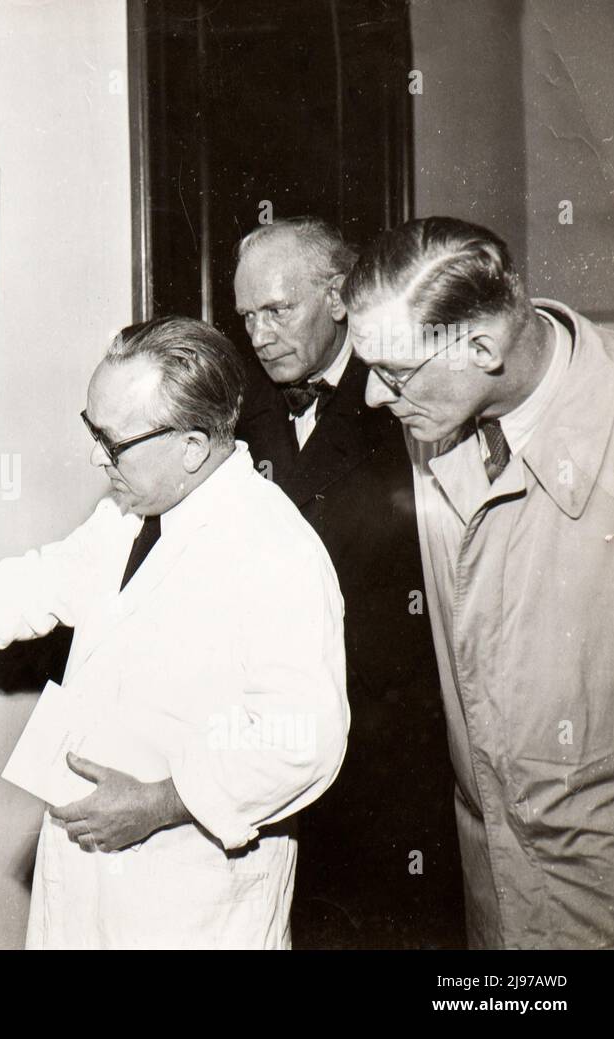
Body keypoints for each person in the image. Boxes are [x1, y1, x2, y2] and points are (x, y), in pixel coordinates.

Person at [0, 316, 349, 949]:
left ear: (194, 446)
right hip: (89, 876)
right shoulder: (135, 512)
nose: (98, 457)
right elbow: (52, 578)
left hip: (190, 894)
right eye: (93, 429)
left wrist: (163, 803)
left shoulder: (274, 552)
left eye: (114, 443)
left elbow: (304, 743)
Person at [342, 215, 614, 949]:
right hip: (489, 881)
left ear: (484, 347)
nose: (372, 397)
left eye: (392, 373)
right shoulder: (435, 407)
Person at [232, 217, 463, 947]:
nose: (260, 334)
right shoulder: (239, 405)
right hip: (277, 731)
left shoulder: (410, 391)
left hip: (391, 740)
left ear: (338, 298)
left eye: (277, 310)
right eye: (246, 317)